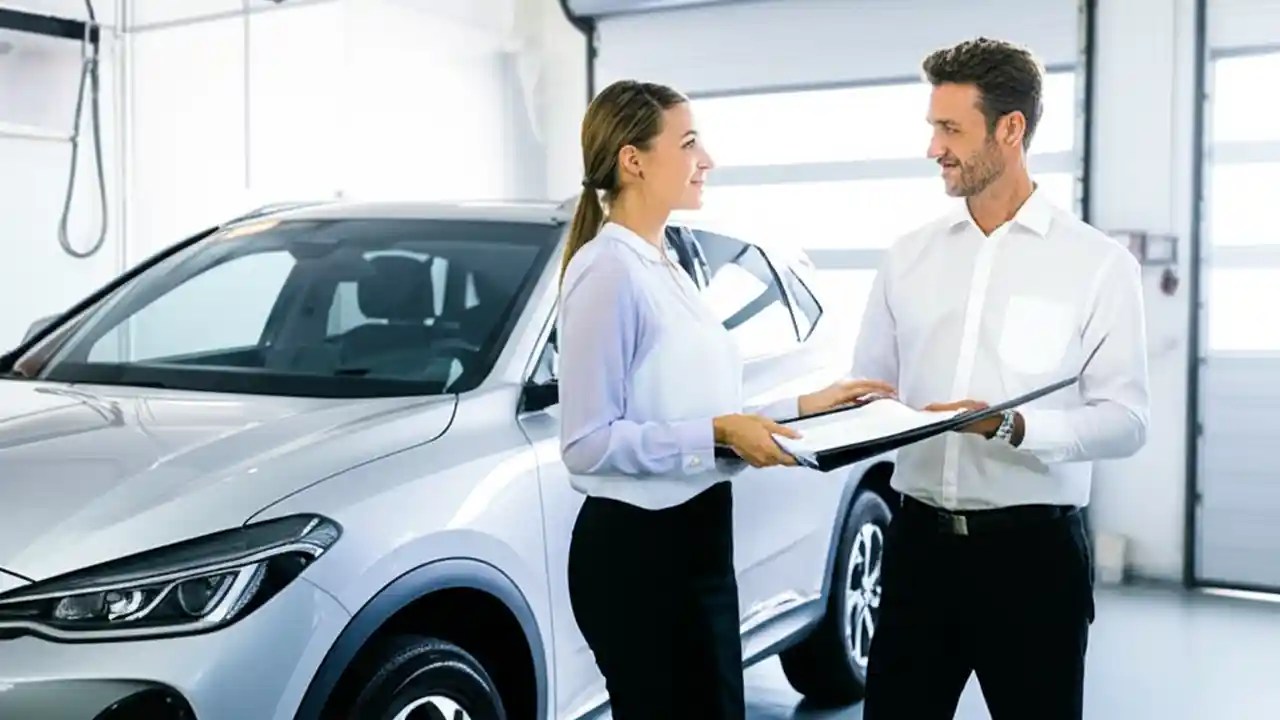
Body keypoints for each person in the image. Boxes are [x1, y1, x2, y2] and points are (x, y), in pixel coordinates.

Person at [557, 79, 895, 720]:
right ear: (633, 161)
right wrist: (716, 434)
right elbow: (586, 444)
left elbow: (698, 410)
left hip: (697, 543)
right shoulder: (607, 271)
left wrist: (808, 406)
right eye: (688, 143)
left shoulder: (662, 263)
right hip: (640, 560)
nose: (706, 160)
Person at [853, 38, 1151, 720]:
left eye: (951, 129)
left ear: (1010, 129)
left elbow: (1127, 420)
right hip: (917, 551)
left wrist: (1011, 425)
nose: (934, 148)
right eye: (933, 127)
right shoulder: (906, 257)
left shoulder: (1098, 265)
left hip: (1033, 562)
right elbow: (871, 389)